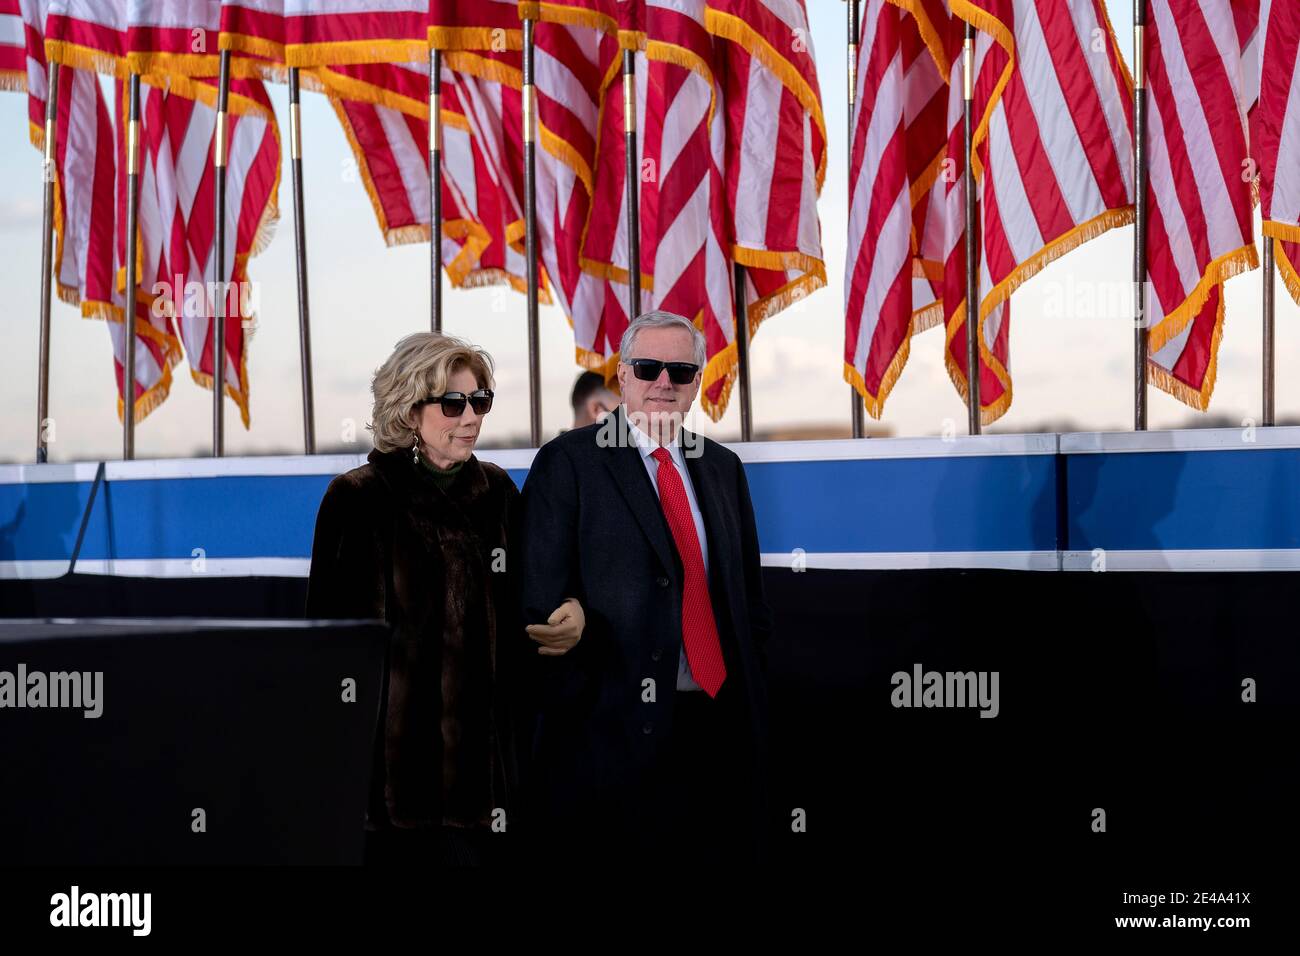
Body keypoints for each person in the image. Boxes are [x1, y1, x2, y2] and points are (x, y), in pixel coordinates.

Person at [305, 332, 585, 866]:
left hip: (489, 780)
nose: (472, 416)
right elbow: (328, 650)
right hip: (390, 788)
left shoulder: (499, 492)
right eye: (453, 403)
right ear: (410, 410)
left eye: (480, 400)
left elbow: (533, 600)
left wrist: (571, 608)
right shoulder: (357, 498)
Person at [519, 310, 774, 864]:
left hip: (715, 730)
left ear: (697, 383)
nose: (664, 382)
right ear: (624, 376)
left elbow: (747, 602)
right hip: (610, 741)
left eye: (680, 370)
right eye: (649, 367)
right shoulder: (569, 462)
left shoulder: (723, 467)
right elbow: (538, 598)